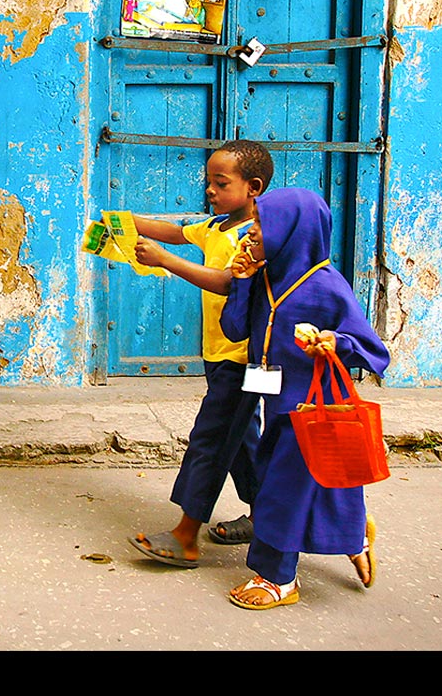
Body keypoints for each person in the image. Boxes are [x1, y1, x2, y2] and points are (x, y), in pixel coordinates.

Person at [219, 186, 391, 609]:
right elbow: (235, 331)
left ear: (292, 231)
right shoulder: (263, 277)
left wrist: (334, 341)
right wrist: (240, 283)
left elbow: (374, 351)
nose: (251, 232)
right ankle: (352, 534)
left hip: (314, 404)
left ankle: (278, 577)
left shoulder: (327, 286)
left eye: (261, 224)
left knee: (281, 488)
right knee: (319, 480)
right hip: (274, 401)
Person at [124, 139, 274, 568]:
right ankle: (266, 517)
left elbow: (228, 281)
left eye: (220, 183)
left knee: (210, 439)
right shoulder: (217, 227)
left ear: (253, 187)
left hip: (244, 358)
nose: (210, 190)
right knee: (242, 439)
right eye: (208, 181)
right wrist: (125, 221)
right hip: (218, 352)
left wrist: (166, 261)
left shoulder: (256, 236)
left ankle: (186, 536)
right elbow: (174, 231)